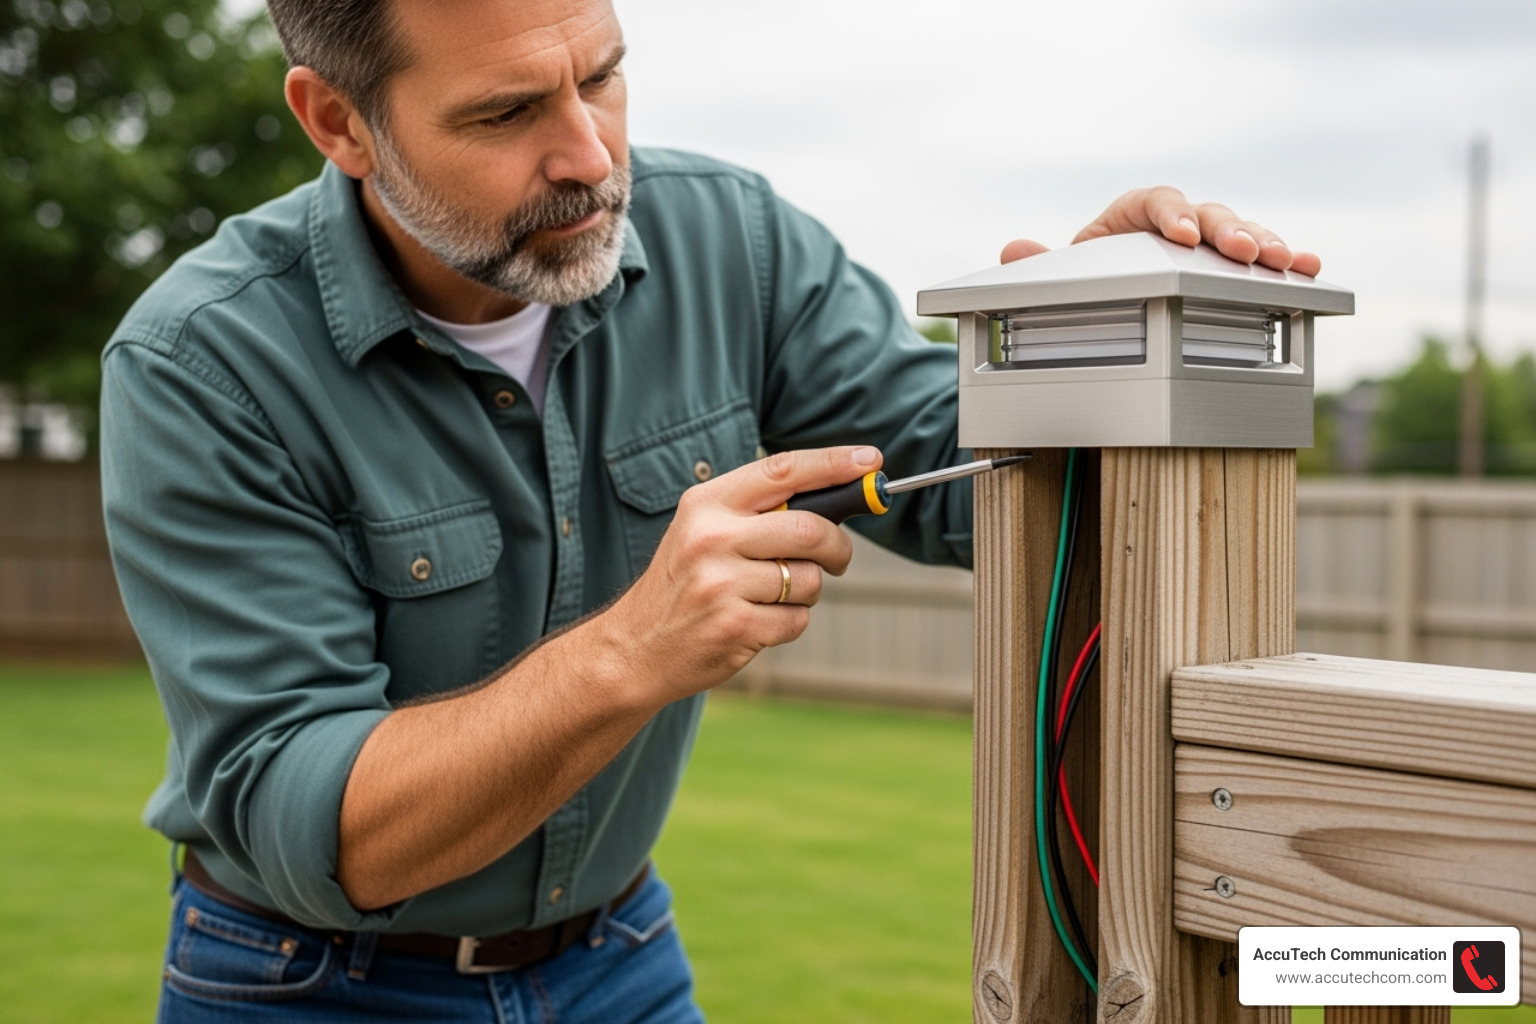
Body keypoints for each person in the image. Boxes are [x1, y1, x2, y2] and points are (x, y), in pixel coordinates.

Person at [99, 1, 1320, 1021]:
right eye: (507, 112)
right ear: (338, 120)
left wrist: (1092, 337)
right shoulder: (202, 365)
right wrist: (636, 647)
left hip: (616, 958)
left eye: (603, 76)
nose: (589, 153)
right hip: (308, 984)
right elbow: (318, 824)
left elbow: (966, 478)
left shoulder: (730, 242)